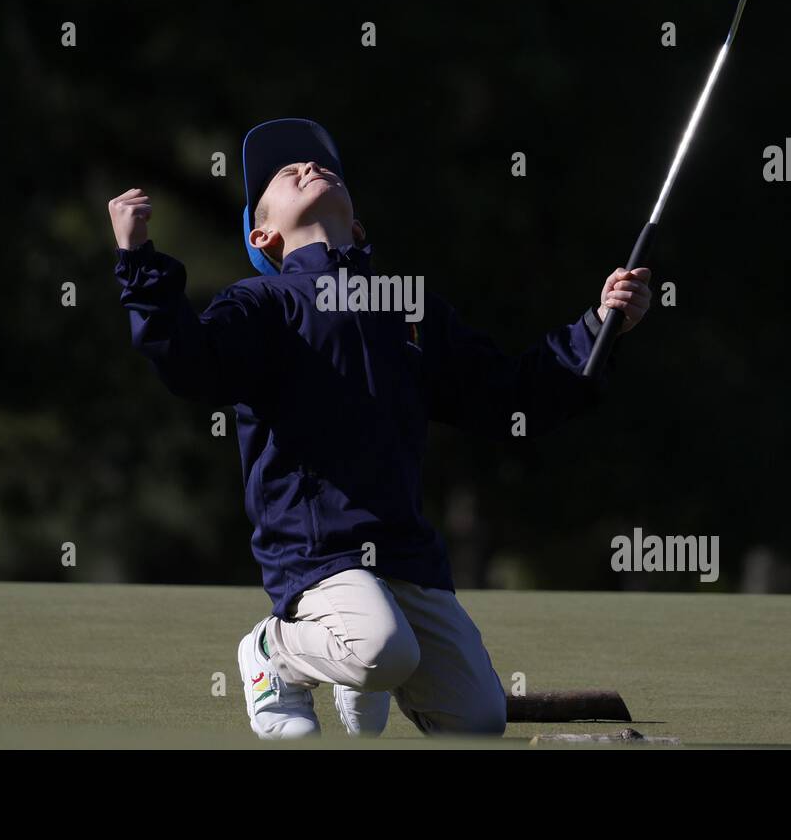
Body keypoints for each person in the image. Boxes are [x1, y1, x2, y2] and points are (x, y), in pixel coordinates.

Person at [109, 118, 651, 738]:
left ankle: (358, 660)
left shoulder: (408, 306)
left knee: (476, 719)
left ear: (358, 225)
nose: (308, 169)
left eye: (321, 167)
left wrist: (600, 325)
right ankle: (273, 653)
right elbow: (189, 364)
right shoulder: (260, 303)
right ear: (265, 235)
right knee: (381, 651)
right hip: (315, 552)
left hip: (404, 552)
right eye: (286, 175)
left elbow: (511, 395)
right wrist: (138, 263)